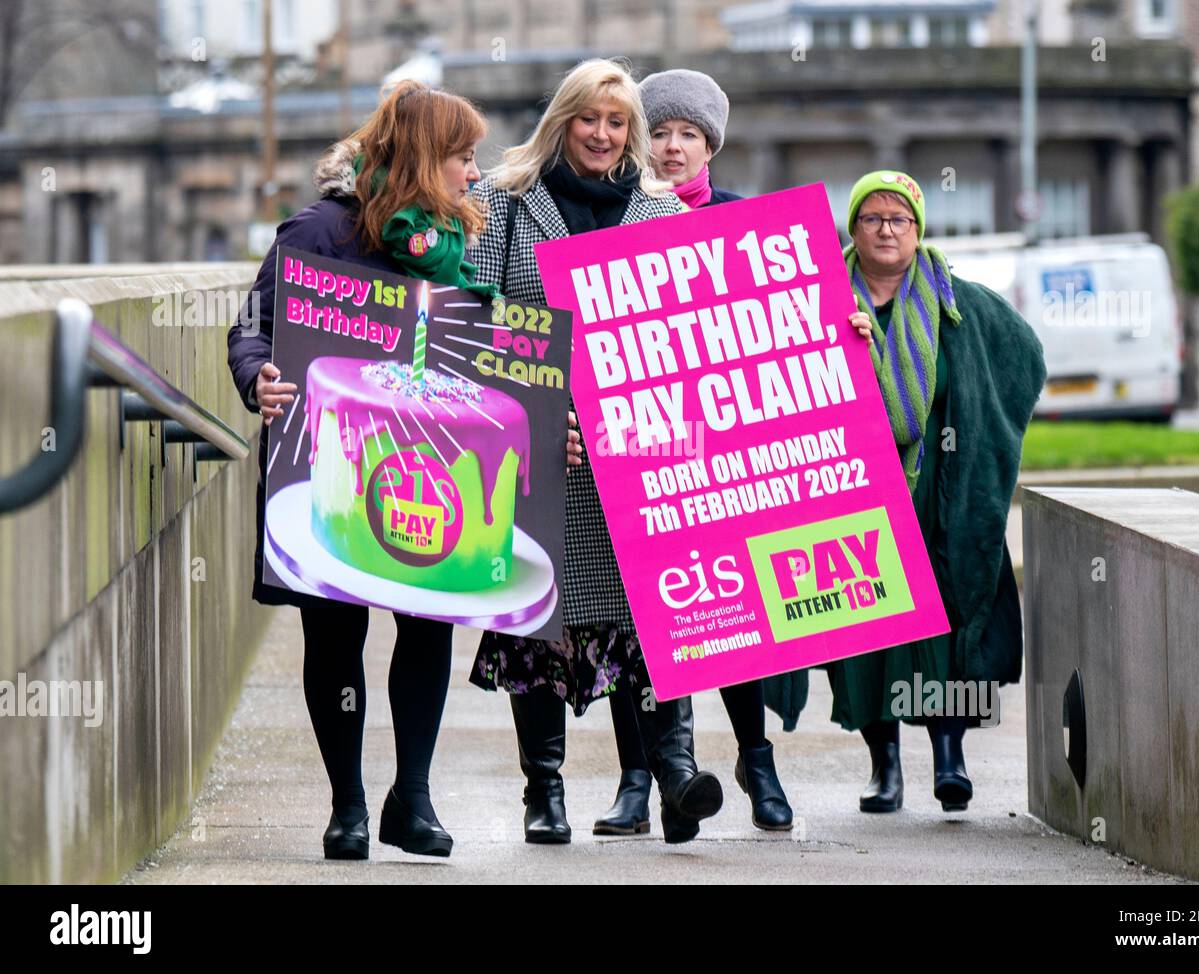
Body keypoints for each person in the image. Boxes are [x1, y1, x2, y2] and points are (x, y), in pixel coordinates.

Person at [227, 81, 537, 860]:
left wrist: (546, 423)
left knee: (427, 623)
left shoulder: (457, 248)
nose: (475, 174)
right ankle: (348, 806)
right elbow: (251, 329)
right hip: (331, 467)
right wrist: (260, 375)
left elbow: (500, 360)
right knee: (334, 630)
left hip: (437, 476)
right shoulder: (319, 231)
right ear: (426, 159)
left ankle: (414, 798)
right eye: (464, 157)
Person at [467, 58, 727, 845]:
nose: (605, 136)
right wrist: (542, 414)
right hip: (535, 462)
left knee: (653, 621)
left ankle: (669, 775)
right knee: (534, 624)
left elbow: (700, 349)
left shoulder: (661, 217)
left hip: (635, 468)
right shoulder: (501, 207)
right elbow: (474, 331)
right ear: (563, 121)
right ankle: (543, 793)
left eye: (619, 123)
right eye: (590, 120)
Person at [774, 169, 1045, 814]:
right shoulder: (816, 299)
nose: (887, 229)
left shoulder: (960, 303)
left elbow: (1022, 358)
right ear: (853, 228)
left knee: (947, 627)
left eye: (900, 218)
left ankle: (949, 755)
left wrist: (986, 427)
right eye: (872, 218)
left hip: (937, 495)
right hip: (851, 494)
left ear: (918, 229)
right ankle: (884, 766)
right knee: (867, 631)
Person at [585, 68, 794, 837]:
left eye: (689, 135)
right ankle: (640, 779)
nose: (673, 148)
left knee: (732, 620)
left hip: (723, 460)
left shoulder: (746, 224)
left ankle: (755, 758)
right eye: (661, 132)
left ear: (711, 146)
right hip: (634, 457)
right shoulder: (610, 219)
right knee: (634, 624)